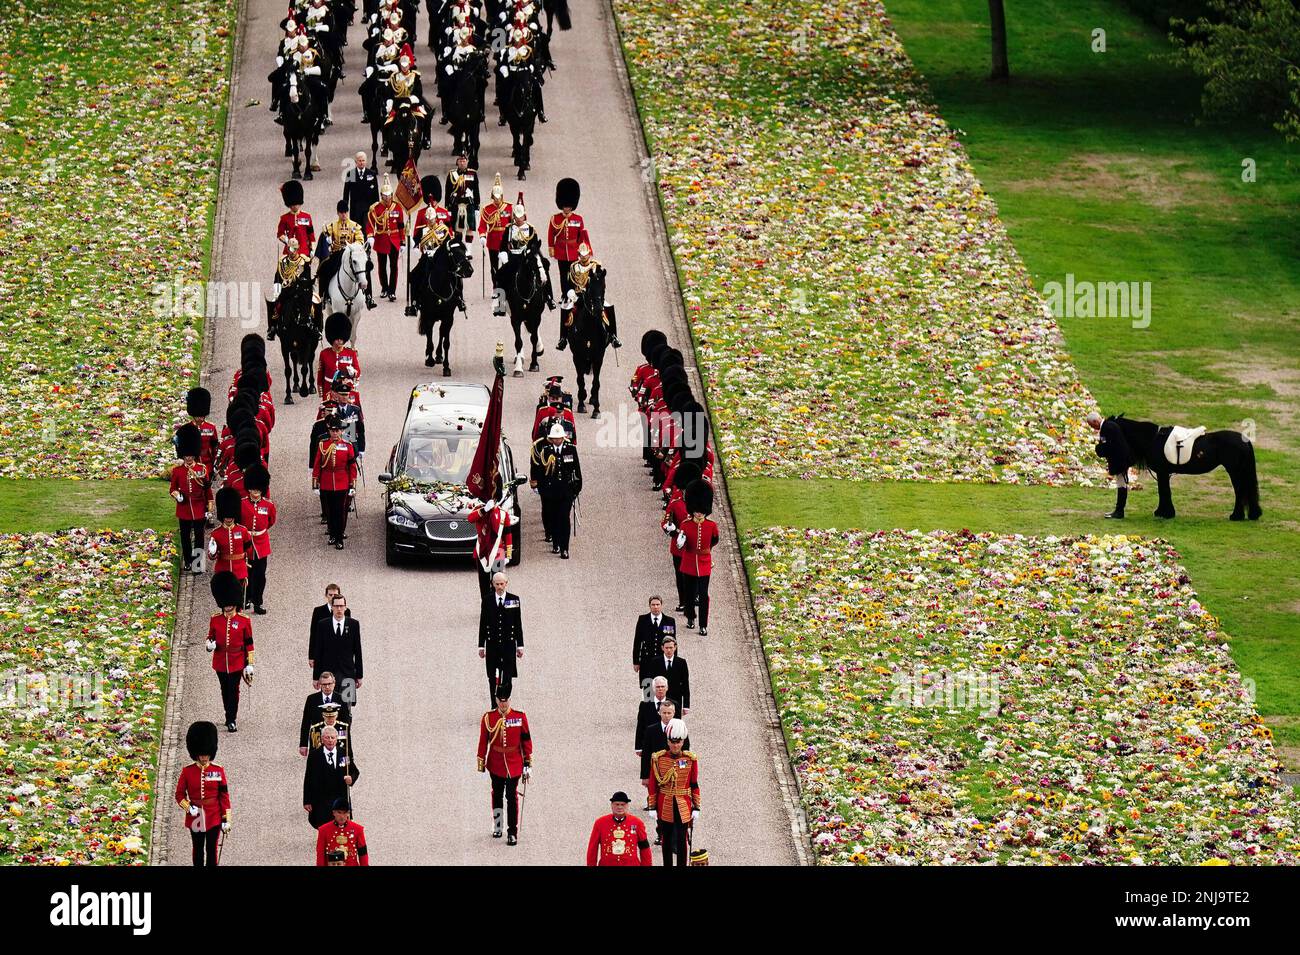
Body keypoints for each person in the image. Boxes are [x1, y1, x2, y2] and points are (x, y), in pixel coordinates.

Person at [476, 681, 532, 845]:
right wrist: (481, 759)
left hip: (514, 763)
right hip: (496, 763)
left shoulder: (519, 717)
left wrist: (527, 764)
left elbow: (526, 741)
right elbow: (483, 740)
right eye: (500, 700)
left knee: (512, 797)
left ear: (509, 700)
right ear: (496, 700)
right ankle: (498, 826)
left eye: (505, 700)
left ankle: (512, 832)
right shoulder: (489, 718)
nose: (503, 703)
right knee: (497, 794)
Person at [175, 721, 231, 866]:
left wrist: (227, 819)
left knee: (212, 849)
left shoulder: (217, 770)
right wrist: (188, 808)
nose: (204, 758)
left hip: (214, 815)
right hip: (196, 816)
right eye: (201, 755)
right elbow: (179, 795)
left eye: (206, 755)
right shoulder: (187, 771)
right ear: (196, 754)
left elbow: (224, 796)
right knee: (198, 849)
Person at [206, 571, 255, 733]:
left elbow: (249, 643)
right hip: (220, 660)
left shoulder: (243, 620)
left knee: (234, 690)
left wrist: (250, 664)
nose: (227, 606)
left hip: (237, 660)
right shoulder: (215, 619)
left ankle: (231, 719)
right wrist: (209, 645)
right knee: (224, 689)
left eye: (229, 604)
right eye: (225, 604)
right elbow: (210, 636)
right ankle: (228, 713)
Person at [647, 719, 699, 867]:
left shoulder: (690, 759)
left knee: (682, 840)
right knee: (666, 840)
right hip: (665, 803)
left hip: (683, 803)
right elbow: (653, 784)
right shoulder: (659, 758)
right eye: (672, 742)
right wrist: (652, 806)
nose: (675, 745)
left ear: (682, 742)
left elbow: (694, 783)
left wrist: (696, 807)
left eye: (678, 742)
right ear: (668, 742)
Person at [529, 422, 581, 559]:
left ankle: (565, 548)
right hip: (550, 491)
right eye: (555, 438)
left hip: (566, 491)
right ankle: (556, 544)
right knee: (553, 518)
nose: (557, 441)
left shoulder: (570, 449)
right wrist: (541, 488)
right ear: (551, 439)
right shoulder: (545, 450)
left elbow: (576, 469)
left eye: (560, 438)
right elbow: (541, 471)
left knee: (564, 519)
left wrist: (576, 488)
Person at [548, 177, 590, 349]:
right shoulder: (555, 219)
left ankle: (574, 292)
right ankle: (566, 293)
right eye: (565, 205)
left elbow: (581, 236)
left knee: (574, 274)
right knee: (562, 274)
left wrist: (583, 251)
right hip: (561, 252)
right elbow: (552, 233)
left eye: (569, 205)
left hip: (573, 252)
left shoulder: (578, 219)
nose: (566, 208)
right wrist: (551, 247)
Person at [677, 479, 719, 635]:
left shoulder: (711, 525)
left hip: (704, 563)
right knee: (689, 593)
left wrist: (706, 551)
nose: (699, 512)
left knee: (703, 595)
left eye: (701, 510)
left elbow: (714, 540)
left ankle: (703, 624)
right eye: (696, 510)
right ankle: (690, 617)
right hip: (688, 562)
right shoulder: (686, 525)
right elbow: (681, 543)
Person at [317, 201, 375, 310]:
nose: (343, 215)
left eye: (345, 212)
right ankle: (323, 296)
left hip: (351, 253)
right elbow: (325, 236)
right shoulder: (332, 226)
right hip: (337, 254)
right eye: (341, 213)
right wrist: (327, 239)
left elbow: (360, 240)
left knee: (365, 268)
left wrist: (352, 247)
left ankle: (368, 296)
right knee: (324, 268)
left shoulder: (355, 226)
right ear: (338, 213)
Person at [312, 416, 359, 549]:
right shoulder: (323, 444)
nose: (335, 433)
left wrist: (352, 485)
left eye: (337, 430)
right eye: (332, 431)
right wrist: (315, 484)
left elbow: (352, 467)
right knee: (330, 511)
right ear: (329, 431)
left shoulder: (347, 445)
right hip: (326, 482)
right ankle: (332, 534)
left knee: (340, 511)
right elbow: (317, 465)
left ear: (341, 431)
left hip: (342, 482)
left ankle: (339, 538)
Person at [171, 423, 212, 575]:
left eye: (190, 455)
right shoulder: (177, 471)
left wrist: (209, 507)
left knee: (199, 537)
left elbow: (207, 489)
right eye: (186, 455)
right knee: (185, 537)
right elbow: (173, 489)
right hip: (184, 508)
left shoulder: (201, 469)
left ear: (194, 455)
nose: (188, 458)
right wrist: (177, 495)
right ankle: (188, 561)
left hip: (199, 506)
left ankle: (198, 564)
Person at [639, 697, 689, 819]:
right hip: (657, 773)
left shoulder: (681, 728)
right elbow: (646, 755)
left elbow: (686, 751)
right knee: (657, 805)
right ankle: (660, 833)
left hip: (676, 772)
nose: (666, 716)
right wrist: (645, 776)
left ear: (674, 713)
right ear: (659, 713)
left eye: (669, 713)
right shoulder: (651, 730)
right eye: (664, 713)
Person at [309, 592, 364, 704]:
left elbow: (358, 651)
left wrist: (359, 675)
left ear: (345, 607)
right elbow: (318, 652)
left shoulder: (354, 624)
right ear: (332, 608)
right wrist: (315, 677)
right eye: (336, 606)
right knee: (328, 708)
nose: (339, 609)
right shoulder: (323, 625)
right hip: (328, 677)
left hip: (348, 674)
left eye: (341, 606)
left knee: (346, 710)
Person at [479, 572, 523, 707]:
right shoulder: (487, 600)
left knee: (508, 677)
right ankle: (494, 705)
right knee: (492, 677)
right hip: (492, 645)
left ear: (506, 584)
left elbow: (517, 623)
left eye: (502, 584)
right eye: (497, 584)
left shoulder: (513, 600)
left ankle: (505, 704)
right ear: (493, 584)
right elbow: (483, 623)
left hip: (508, 645)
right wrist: (481, 645)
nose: (499, 587)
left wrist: (520, 645)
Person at [303, 725, 360, 829]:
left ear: (336, 739)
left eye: (332, 737)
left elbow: (354, 771)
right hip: (320, 800)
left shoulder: (344, 753)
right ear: (322, 739)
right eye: (327, 737)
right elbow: (308, 778)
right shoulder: (314, 756)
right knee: (323, 828)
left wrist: (351, 779)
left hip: (339, 799)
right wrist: (307, 800)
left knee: (340, 830)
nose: (330, 740)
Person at [240, 464, 276, 615]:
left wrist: (259, 532)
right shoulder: (242, 503)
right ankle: (246, 598)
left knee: (260, 575)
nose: (255, 493)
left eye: (258, 490)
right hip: (246, 543)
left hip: (261, 544)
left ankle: (258, 602)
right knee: (246, 574)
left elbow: (271, 521)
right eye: (253, 490)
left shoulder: (268, 505)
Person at [207, 487, 253, 606]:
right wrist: (212, 552)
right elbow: (212, 556)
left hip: (239, 570)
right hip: (223, 569)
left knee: (239, 602)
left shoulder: (242, 531)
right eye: (226, 517)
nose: (228, 519)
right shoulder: (216, 533)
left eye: (230, 516)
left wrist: (246, 562)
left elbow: (248, 548)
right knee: (225, 602)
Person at [365, 175, 406, 301]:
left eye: (389, 195)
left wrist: (403, 241)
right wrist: (370, 236)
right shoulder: (375, 208)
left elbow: (401, 225)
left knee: (394, 266)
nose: (387, 198)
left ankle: (392, 291)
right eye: (385, 195)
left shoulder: (397, 207)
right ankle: (384, 287)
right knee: (382, 266)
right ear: (381, 195)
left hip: (394, 239)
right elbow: (370, 224)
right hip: (381, 239)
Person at [468, 497, 516, 603]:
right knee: (484, 582)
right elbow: (470, 518)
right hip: (482, 552)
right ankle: (486, 605)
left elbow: (507, 535)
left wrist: (508, 554)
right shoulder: (480, 510)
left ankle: (497, 604)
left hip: (498, 553)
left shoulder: (503, 514)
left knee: (498, 581)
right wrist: (484, 510)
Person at [586, 792, 653, 867]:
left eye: (622, 804)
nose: (620, 807)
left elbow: (644, 848)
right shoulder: (600, 823)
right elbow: (592, 848)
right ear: (611, 805)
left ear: (627, 806)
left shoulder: (637, 823)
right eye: (617, 804)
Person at [1087, 411, 1132, 519]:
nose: (1092, 427)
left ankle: (1119, 511)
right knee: (1121, 484)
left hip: (1120, 460)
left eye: (1091, 425)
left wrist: (1098, 449)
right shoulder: (1110, 425)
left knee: (1121, 485)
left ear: (1095, 421)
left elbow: (1108, 447)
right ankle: (1118, 510)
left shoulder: (1107, 428)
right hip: (1122, 459)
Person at [300, 672, 354, 755]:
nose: (327, 687)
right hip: (317, 741)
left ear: (334, 683)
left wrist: (348, 749)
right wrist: (303, 744)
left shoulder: (342, 699)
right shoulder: (311, 699)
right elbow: (306, 722)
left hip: (336, 741)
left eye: (329, 683)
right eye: (324, 684)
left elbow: (346, 724)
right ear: (320, 685)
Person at [477, 173, 511, 299]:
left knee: (506, 266)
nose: (497, 200)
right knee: (494, 267)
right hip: (493, 241)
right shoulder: (487, 209)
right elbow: (482, 225)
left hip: (506, 241)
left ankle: (506, 287)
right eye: (495, 197)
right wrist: (482, 236)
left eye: (499, 197)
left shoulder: (509, 208)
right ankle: (496, 288)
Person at [632, 595, 676, 692]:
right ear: (649, 606)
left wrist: (674, 661)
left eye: (657, 604)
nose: (655, 607)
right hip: (647, 662)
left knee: (663, 690)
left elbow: (673, 644)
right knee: (648, 694)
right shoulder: (643, 620)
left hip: (662, 661)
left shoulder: (669, 621)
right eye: (653, 605)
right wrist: (636, 661)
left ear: (661, 605)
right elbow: (637, 642)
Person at [317, 312, 362, 397]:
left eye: (341, 339)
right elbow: (321, 374)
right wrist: (321, 391)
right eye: (337, 339)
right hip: (329, 392)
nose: (340, 342)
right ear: (332, 339)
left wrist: (353, 372)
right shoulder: (324, 354)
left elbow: (357, 370)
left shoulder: (351, 353)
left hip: (346, 392)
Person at [646, 634, 690, 717]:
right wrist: (648, 701)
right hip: (659, 699)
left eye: (671, 648)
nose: (669, 650)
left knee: (675, 725)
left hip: (676, 700)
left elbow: (685, 684)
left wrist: (686, 705)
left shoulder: (681, 663)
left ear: (675, 648)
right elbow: (649, 682)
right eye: (666, 648)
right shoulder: (655, 662)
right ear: (662, 648)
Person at [317, 798, 370, 866]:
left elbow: (363, 853)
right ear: (333, 813)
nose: (342, 816)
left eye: (345, 813)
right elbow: (320, 854)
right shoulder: (323, 830)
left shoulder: (358, 829)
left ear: (348, 813)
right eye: (339, 812)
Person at [276, 179, 316, 258]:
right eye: (292, 204)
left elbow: (311, 234)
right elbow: (280, 234)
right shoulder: (284, 218)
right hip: (289, 252)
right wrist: (287, 240)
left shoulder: (307, 217)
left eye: (296, 204)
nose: (294, 206)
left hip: (304, 252)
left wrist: (313, 249)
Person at [444, 151, 479, 240]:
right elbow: (448, 192)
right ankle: (458, 250)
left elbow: (476, 191)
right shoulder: (452, 174)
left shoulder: (473, 174)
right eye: (460, 161)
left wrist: (477, 207)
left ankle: (468, 251)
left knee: (470, 228)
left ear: (467, 161)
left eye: (464, 161)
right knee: (457, 229)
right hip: (456, 204)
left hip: (469, 204)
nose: (462, 163)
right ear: (457, 162)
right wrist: (447, 208)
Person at [343, 151, 380, 229]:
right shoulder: (351, 174)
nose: (361, 163)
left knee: (367, 230)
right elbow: (346, 192)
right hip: (355, 209)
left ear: (366, 161)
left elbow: (375, 193)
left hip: (368, 208)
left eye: (363, 160)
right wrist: (344, 208)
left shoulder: (371, 174)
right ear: (356, 162)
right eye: (359, 161)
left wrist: (377, 207)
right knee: (356, 230)